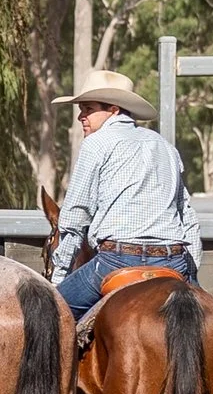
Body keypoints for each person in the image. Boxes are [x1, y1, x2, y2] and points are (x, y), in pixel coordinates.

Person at [45, 68, 198, 315]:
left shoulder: (96, 144)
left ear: (114, 110)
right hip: (173, 262)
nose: (81, 116)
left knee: (51, 315)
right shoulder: (166, 147)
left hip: (117, 260)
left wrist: (59, 275)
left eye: (88, 109)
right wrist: (193, 270)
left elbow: (75, 216)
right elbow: (187, 216)